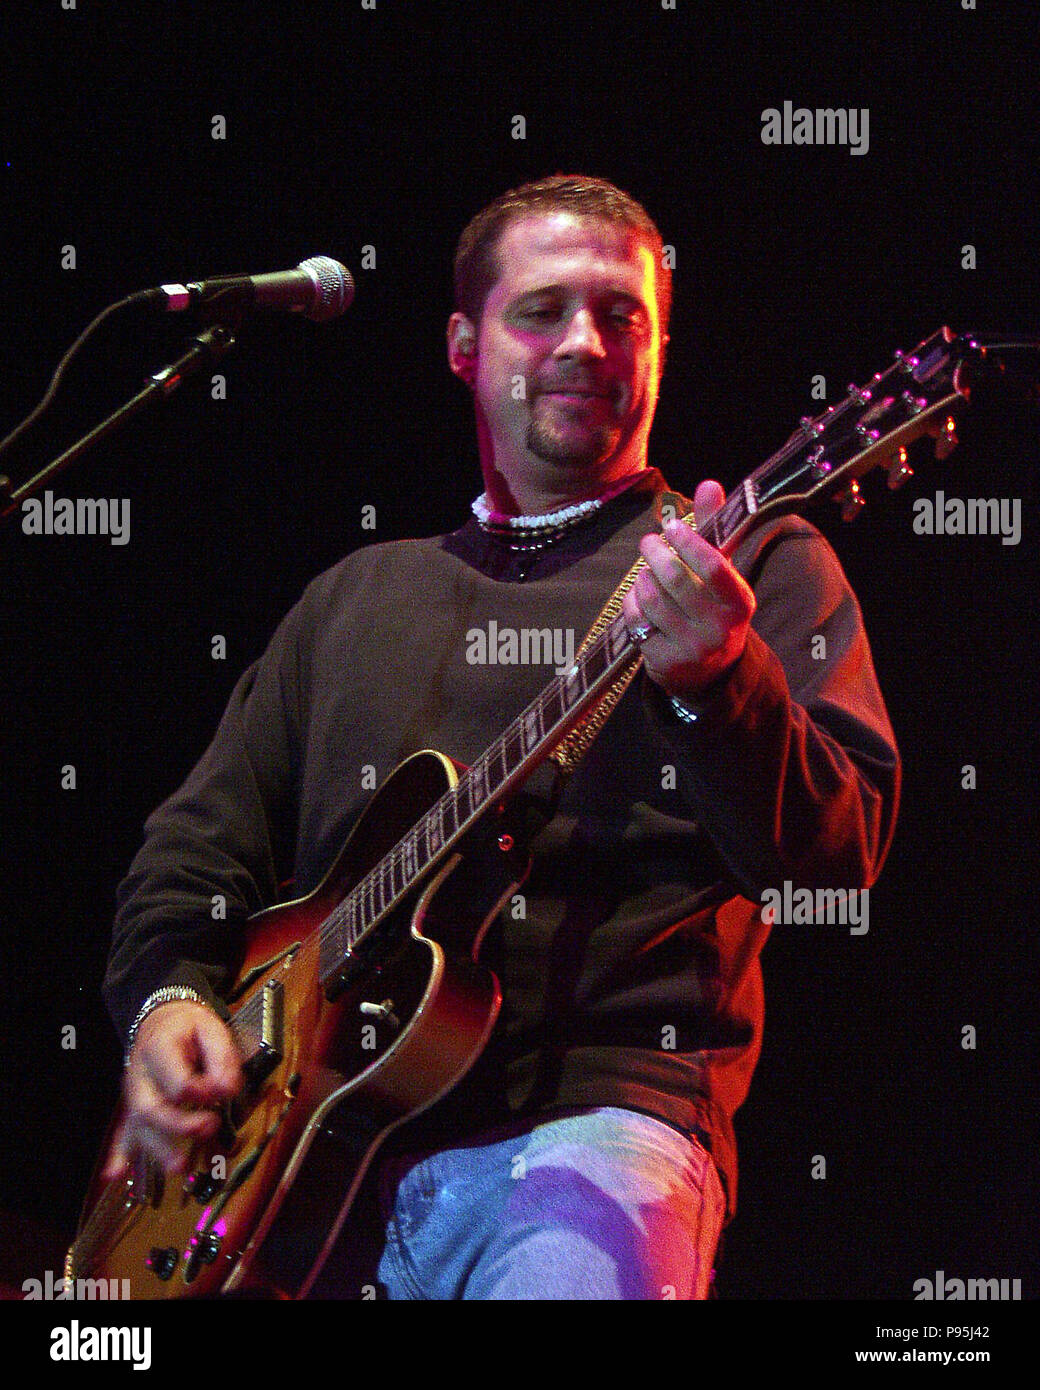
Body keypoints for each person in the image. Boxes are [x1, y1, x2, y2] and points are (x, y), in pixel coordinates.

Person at [100, 174, 901, 1300]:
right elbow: (193, 847)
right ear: (465, 345)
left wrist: (722, 686)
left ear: (660, 348)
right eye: (542, 310)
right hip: (293, 1170)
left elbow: (838, 853)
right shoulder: (355, 598)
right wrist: (168, 1002)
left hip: (592, 1132)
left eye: (620, 314)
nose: (583, 341)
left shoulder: (749, 566)